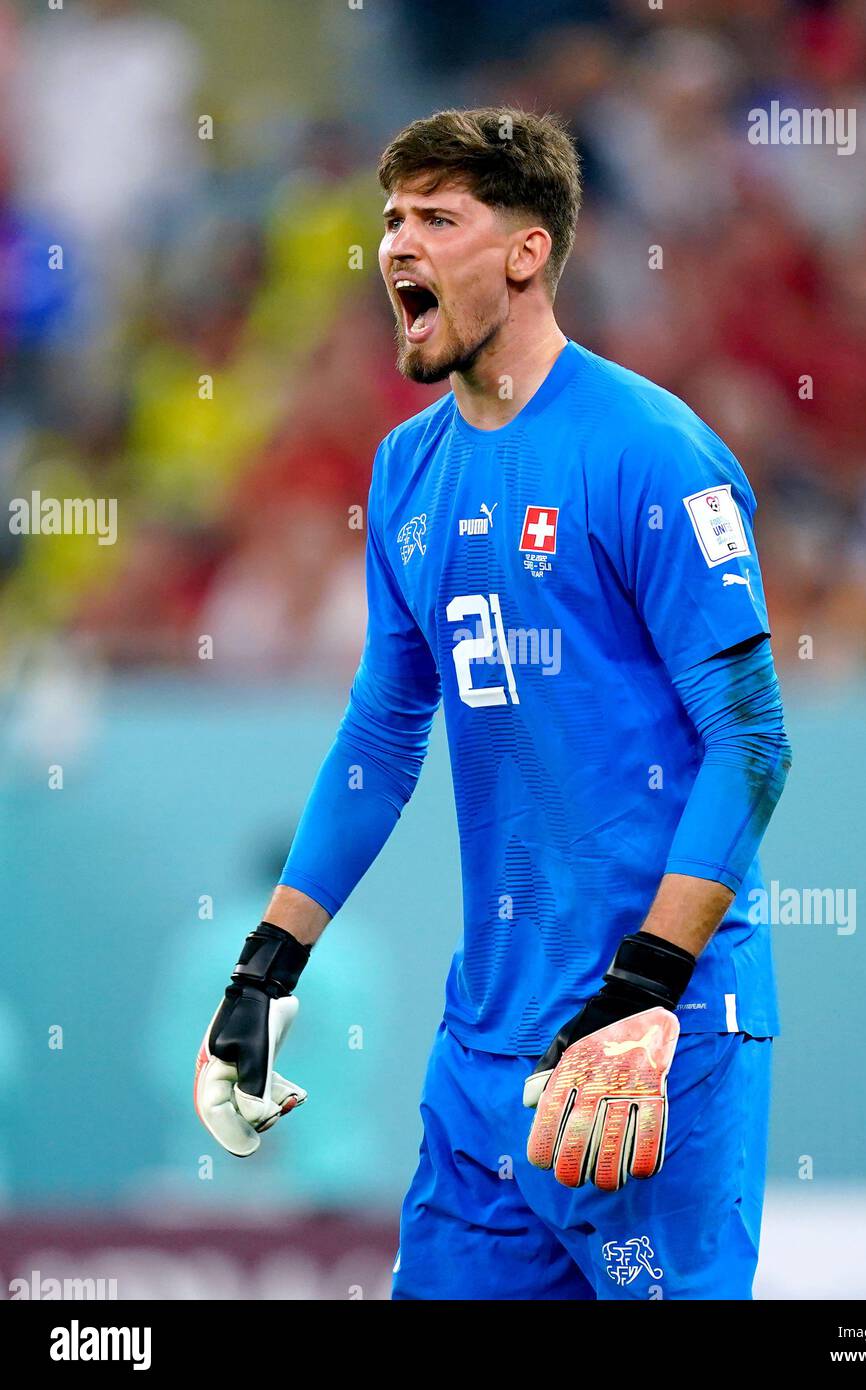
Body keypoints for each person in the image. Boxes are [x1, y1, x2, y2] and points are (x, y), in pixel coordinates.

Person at [195, 107, 792, 1301]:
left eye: (437, 218)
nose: (396, 245)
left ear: (525, 251)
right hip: (483, 1057)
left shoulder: (650, 452)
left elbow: (753, 741)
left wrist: (642, 995)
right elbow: (379, 733)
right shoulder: (406, 469)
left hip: (649, 1046)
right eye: (391, 219)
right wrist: (264, 969)